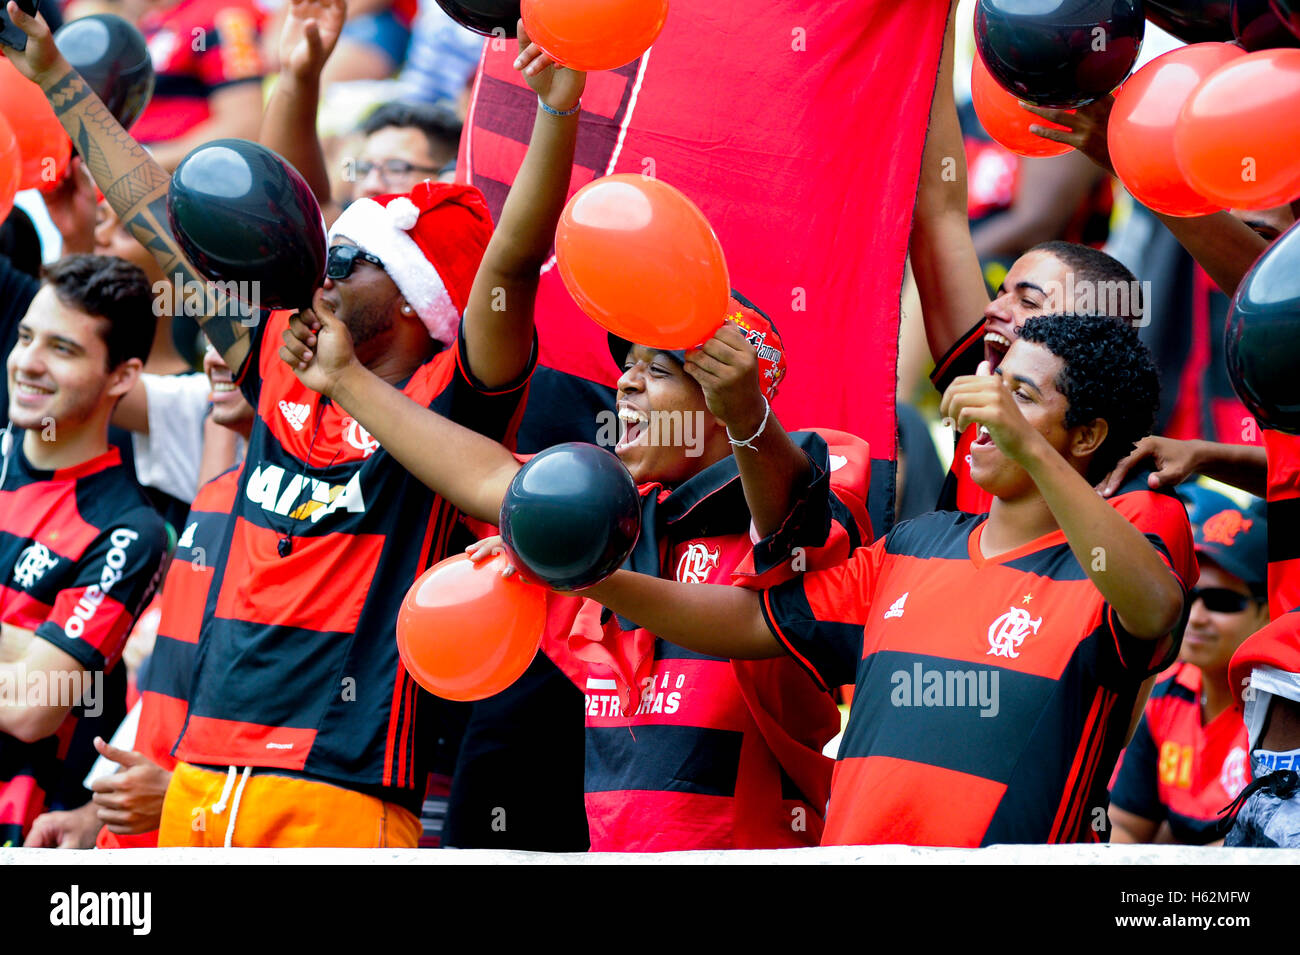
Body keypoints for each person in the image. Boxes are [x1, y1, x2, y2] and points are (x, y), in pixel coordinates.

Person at [3, 5, 585, 846]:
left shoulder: (448, 397)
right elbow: (164, 218)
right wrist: (58, 78)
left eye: (353, 258)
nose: (327, 267)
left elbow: (512, 261)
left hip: (341, 787)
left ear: (418, 303)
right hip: (202, 773)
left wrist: (557, 110)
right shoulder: (276, 354)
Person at [550, 315, 1187, 846]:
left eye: (1022, 396)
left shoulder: (1130, 538)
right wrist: (592, 576)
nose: (992, 405)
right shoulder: (916, 543)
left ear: (1089, 435)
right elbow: (749, 620)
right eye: (995, 384)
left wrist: (1029, 448)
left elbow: (1155, 609)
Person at [282, 286, 871, 849]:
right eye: (628, 364)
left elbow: (790, 518)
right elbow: (486, 478)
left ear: (725, 401)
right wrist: (343, 378)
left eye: (658, 370)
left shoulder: (814, 488)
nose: (624, 382)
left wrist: (749, 419)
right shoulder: (613, 518)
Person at [23, 344, 255, 849]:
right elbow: (175, 684)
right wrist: (96, 816)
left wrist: (179, 796)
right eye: (211, 332)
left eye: (238, 331)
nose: (214, 358)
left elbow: (29, 709)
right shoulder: (217, 477)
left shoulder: (337, 509)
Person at [0, 255, 168, 845]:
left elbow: (31, 705)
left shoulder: (128, 529)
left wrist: (35, 666)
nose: (28, 364)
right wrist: (26, 646)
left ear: (121, 376)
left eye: (62, 350)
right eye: (25, 337)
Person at [1109, 505, 1269, 844]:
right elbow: (1125, 827)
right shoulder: (1161, 693)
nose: (1195, 617)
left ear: (1269, 613)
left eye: (1221, 601)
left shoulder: (1283, 714)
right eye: (1190, 595)